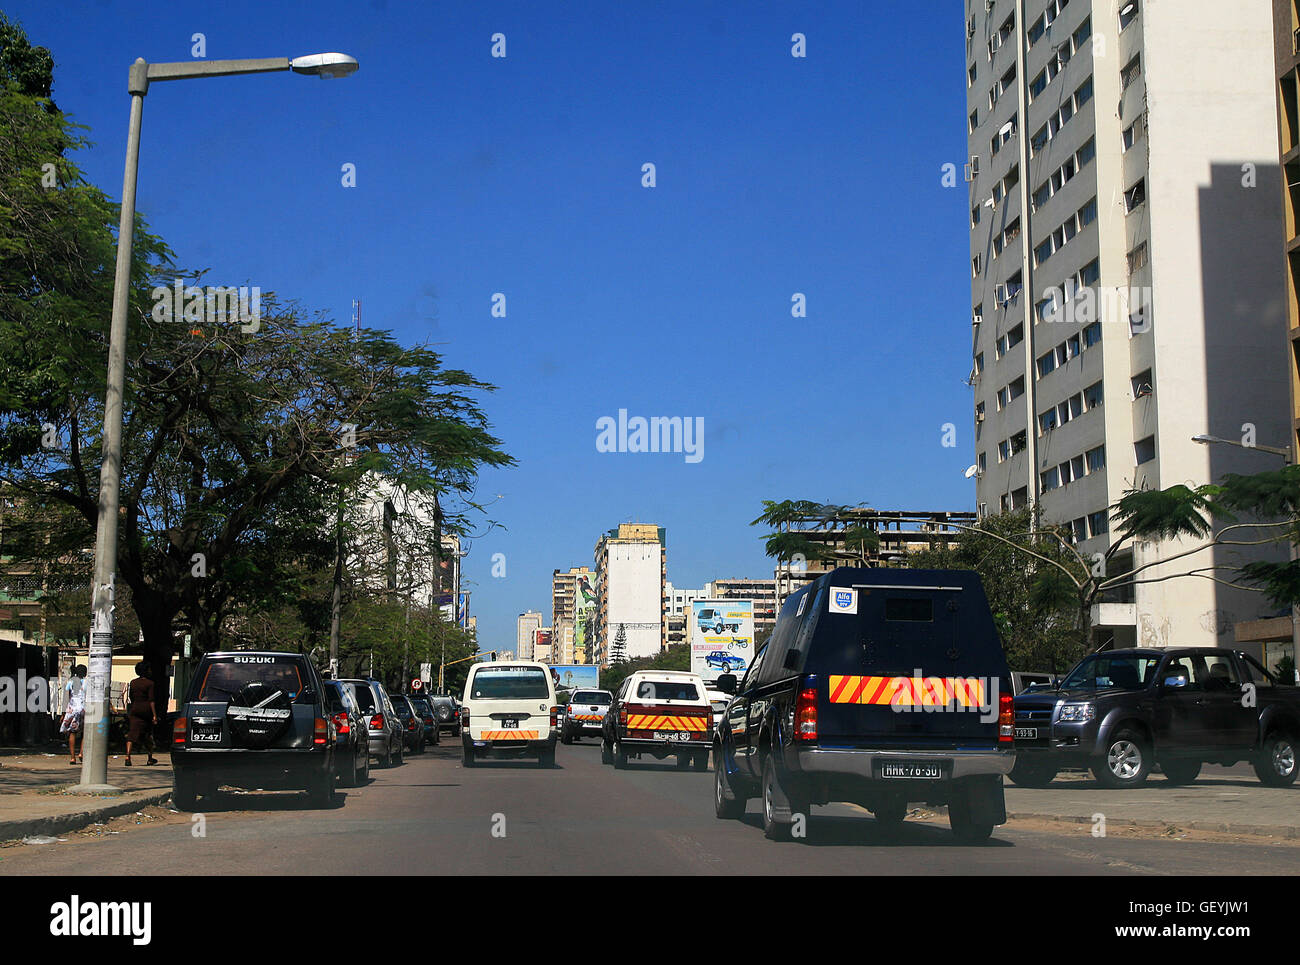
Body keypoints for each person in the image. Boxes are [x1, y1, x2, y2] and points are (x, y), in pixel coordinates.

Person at [124, 662, 158, 766]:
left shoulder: (133, 682)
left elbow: (131, 697)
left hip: (135, 709)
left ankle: (127, 755)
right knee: (148, 734)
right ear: (146, 671)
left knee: (132, 733)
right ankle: (150, 758)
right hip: (146, 710)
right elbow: (151, 700)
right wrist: (154, 715)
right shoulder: (150, 683)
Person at [60, 665, 87, 765]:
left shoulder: (70, 682)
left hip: (72, 709)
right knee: (85, 732)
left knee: (72, 732)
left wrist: (63, 713)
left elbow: (66, 698)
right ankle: (81, 753)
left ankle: (72, 757)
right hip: (84, 709)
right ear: (85, 673)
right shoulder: (87, 683)